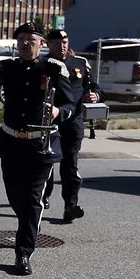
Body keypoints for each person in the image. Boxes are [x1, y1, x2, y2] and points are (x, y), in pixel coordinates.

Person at [0, 22, 80, 276]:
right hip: (11, 142)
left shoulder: (53, 67)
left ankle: (23, 252)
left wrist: (59, 111)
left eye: (31, 39)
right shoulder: (8, 67)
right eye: (21, 39)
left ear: (41, 43)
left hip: (41, 144)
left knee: (31, 199)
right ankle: (29, 224)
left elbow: (72, 105)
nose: (25, 43)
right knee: (15, 196)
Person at [42, 29, 98, 221]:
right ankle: (43, 196)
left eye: (65, 41)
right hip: (51, 122)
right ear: (48, 44)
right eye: (57, 42)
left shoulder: (79, 63)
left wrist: (94, 95)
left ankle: (70, 206)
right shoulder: (44, 65)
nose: (62, 45)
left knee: (70, 165)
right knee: (47, 163)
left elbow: (95, 88)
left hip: (73, 122)